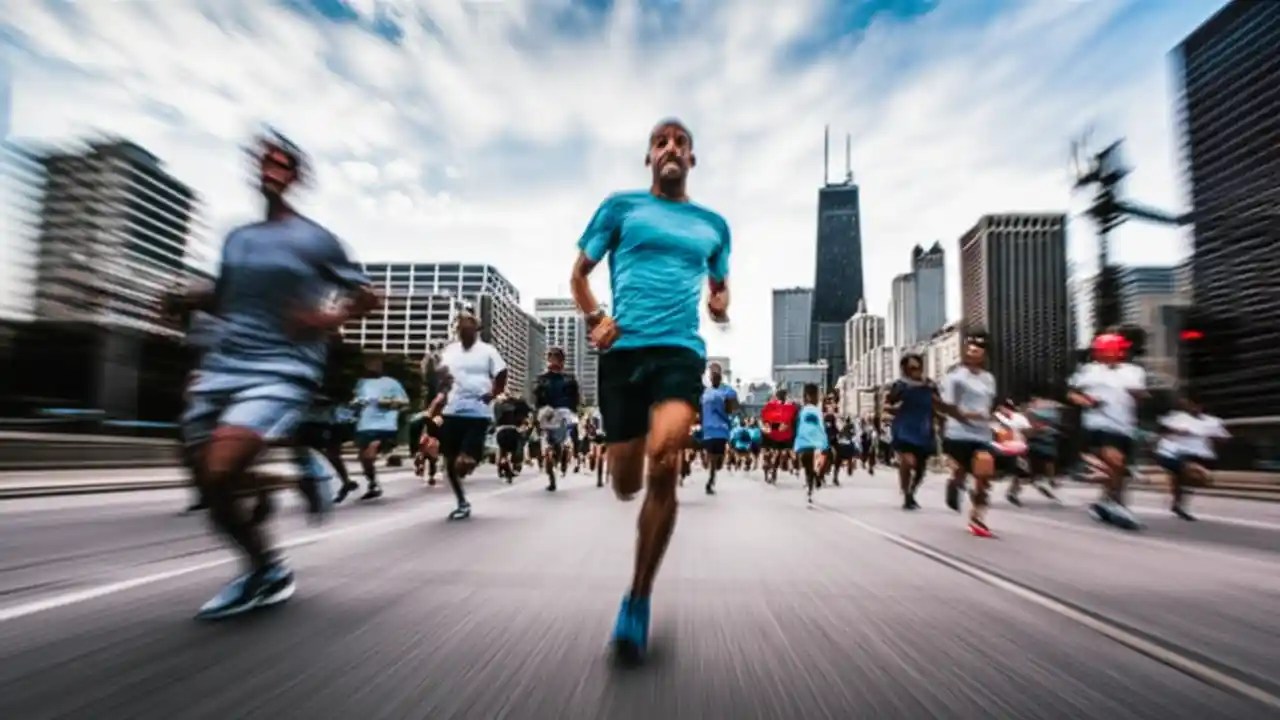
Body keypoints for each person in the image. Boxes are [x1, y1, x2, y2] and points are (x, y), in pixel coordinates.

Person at [170, 130, 376, 620]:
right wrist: (187, 298)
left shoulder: (316, 240)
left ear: (297, 176)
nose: (270, 170)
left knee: (221, 469)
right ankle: (286, 499)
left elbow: (367, 296)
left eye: (281, 164)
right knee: (207, 480)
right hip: (224, 364)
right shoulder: (238, 238)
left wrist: (323, 320)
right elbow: (225, 297)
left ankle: (264, 569)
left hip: (281, 368)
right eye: (264, 162)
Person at [570, 117, 730, 663]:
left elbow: (721, 281)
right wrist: (596, 319)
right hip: (622, 355)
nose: (671, 148)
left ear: (691, 159)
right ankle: (626, 479)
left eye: (681, 143)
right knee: (625, 482)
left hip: (678, 352)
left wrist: (720, 304)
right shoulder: (620, 208)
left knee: (666, 459)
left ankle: (637, 598)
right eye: (661, 142)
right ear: (648, 158)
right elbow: (578, 275)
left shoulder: (713, 225)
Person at [1067, 331, 1147, 530]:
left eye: (1112, 350)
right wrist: (1085, 401)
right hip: (1097, 424)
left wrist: (1139, 395)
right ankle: (1113, 504)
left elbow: (1139, 395)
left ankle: (1108, 503)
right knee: (1115, 461)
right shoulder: (1088, 371)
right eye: (1103, 350)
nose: (1106, 354)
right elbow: (1071, 394)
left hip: (1124, 426)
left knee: (1119, 470)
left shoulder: (1134, 371)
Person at [434, 310, 507, 520]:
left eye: (468, 326)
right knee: (450, 463)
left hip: (478, 412)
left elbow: (502, 373)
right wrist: (441, 381)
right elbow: (442, 374)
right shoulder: (450, 351)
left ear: (477, 329)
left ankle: (474, 457)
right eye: (460, 327)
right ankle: (462, 502)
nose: (463, 330)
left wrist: (493, 393)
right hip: (452, 410)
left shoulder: (488, 351)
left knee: (463, 462)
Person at [940, 331, 999, 537]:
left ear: (984, 355)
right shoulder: (954, 377)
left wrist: (991, 418)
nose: (974, 352)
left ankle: (977, 517)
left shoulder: (989, 379)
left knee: (984, 475)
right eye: (971, 348)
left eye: (979, 349)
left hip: (981, 435)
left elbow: (988, 405)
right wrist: (967, 415)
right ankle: (954, 483)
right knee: (961, 473)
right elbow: (948, 406)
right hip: (958, 433)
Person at [1154, 392, 1228, 521]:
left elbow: (1224, 438)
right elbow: (1162, 430)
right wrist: (1176, 432)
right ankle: (1179, 495)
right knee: (1189, 472)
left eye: (1197, 405)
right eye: (1191, 405)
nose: (1194, 408)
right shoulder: (1176, 417)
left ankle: (1178, 504)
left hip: (1200, 455)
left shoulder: (1212, 422)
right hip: (1175, 454)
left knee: (1183, 481)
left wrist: (1214, 437)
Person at [345, 353, 408, 502]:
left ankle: (378, 447)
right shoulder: (360, 383)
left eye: (376, 363)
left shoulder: (392, 383)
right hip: (364, 425)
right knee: (363, 458)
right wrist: (354, 405)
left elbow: (405, 403)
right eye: (370, 363)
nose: (373, 366)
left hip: (385, 425)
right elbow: (354, 401)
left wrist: (389, 403)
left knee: (370, 454)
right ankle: (373, 483)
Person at [883, 353, 940, 510]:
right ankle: (905, 492)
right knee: (908, 461)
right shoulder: (899, 386)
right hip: (904, 428)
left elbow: (938, 405)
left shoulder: (929, 385)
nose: (915, 371)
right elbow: (886, 406)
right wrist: (894, 409)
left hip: (923, 429)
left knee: (921, 469)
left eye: (917, 367)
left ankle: (911, 492)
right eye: (911, 368)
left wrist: (941, 420)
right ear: (904, 369)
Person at [533, 347, 581, 491]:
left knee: (570, 430)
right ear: (548, 360)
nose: (553, 360)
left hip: (564, 411)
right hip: (547, 412)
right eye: (551, 357)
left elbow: (575, 399)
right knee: (545, 438)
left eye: (556, 357)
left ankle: (568, 451)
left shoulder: (569, 379)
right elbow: (536, 399)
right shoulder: (542, 379)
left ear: (562, 361)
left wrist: (574, 411)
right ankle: (551, 458)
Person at [699, 361, 738, 494]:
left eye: (716, 372)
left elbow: (733, 408)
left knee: (719, 462)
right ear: (709, 376)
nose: (713, 375)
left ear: (720, 375)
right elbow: (699, 409)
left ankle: (713, 469)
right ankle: (710, 480)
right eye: (711, 373)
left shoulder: (728, 391)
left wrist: (728, 404)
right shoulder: (704, 393)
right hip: (708, 430)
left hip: (722, 429)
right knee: (712, 458)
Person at [793, 383, 829, 504]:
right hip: (816, 443)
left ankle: (810, 485)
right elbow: (822, 428)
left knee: (808, 468)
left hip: (804, 444)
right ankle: (819, 477)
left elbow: (798, 428)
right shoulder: (817, 411)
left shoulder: (801, 412)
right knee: (827, 457)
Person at [760, 388, 798, 483]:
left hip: (770, 432)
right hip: (778, 433)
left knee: (771, 451)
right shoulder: (789, 407)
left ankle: (769, 465)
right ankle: (772, 468)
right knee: (777, 452)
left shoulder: (771, 405)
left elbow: (764, 418)